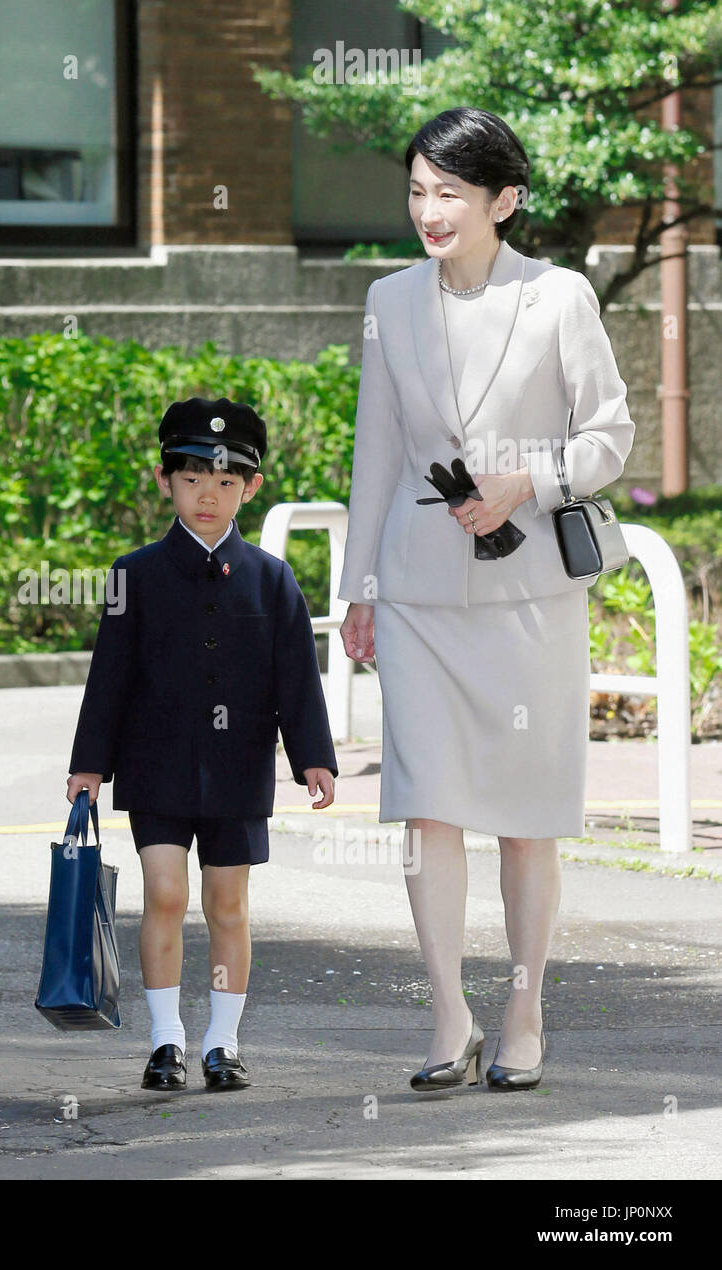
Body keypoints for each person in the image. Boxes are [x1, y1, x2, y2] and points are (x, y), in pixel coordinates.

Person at [337, 107, 635, 1092]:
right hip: (419, 588)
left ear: (502, 200)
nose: (428, 210)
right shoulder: (389, 299)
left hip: (527, 596)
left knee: (523, 815)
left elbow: (608, 437)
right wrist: (358, 588)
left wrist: (524, 478)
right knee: (423, 807)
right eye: (417, 190)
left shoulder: (558, 299)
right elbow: (374, 450)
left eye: (449, 194)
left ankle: (522, 1002)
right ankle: (446, 1013)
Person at [67, 397, 338, 1092]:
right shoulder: (134, 574)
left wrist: (313, 756)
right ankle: (165, 1041)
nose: (207, 495)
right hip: (154, 766)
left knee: (227, 906)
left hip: (239, 772)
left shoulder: (273, 580)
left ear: (250, 486)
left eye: (224, 481)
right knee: (163, 893)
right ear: (164, 482)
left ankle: (223, 1041)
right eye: (191, 479)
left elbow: (296, 679)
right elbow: (109, 678)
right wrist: (88, 765)